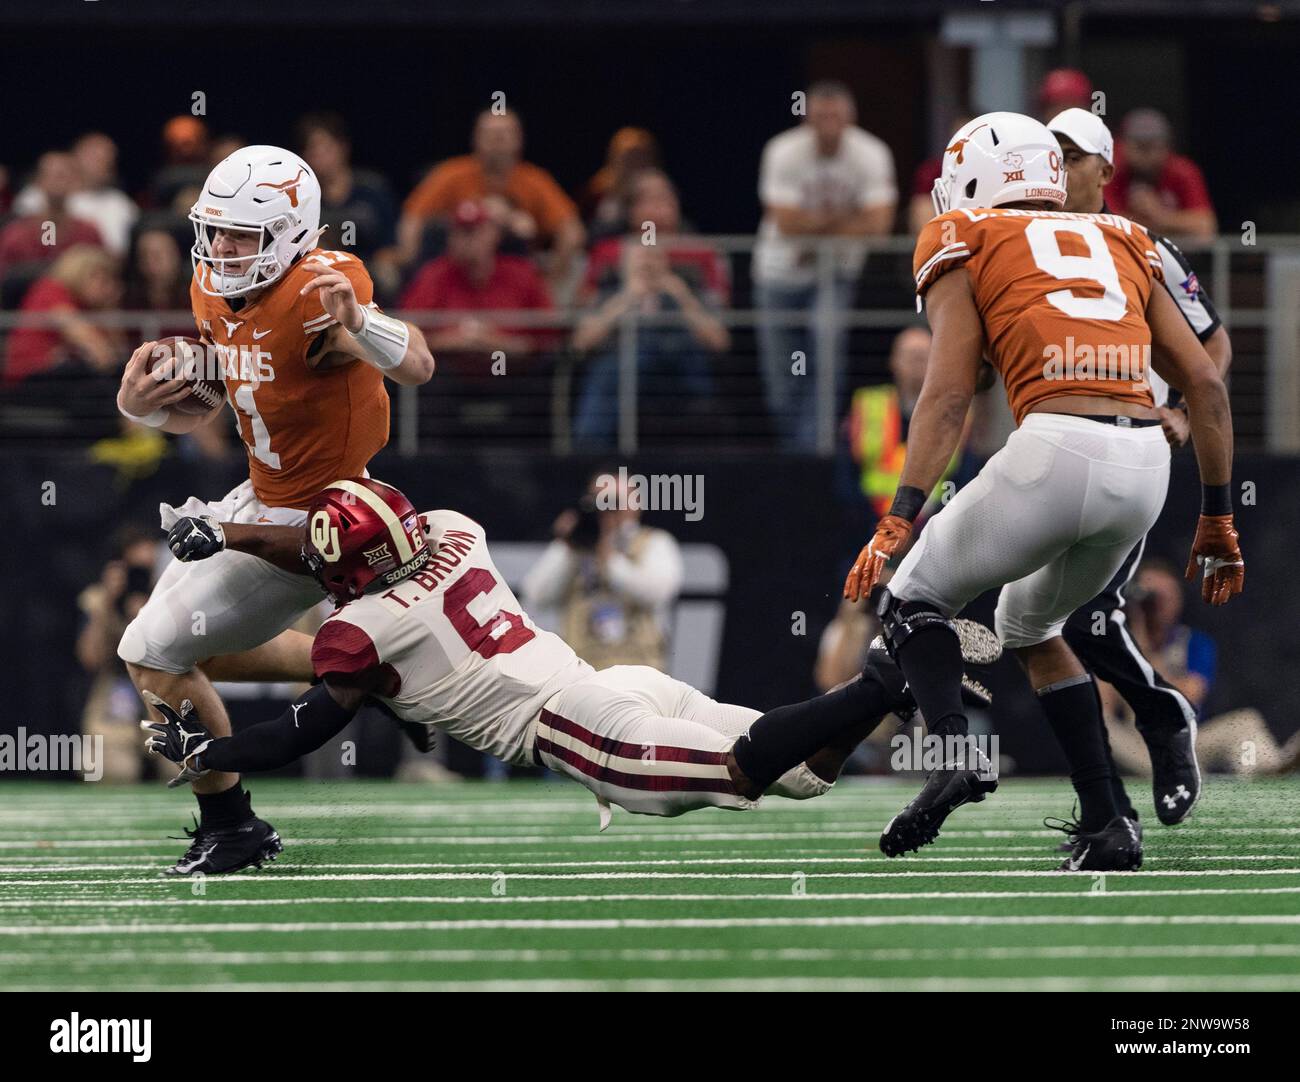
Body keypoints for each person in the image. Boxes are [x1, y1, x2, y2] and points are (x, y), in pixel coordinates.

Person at [143, 477, 996, 836]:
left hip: (571, 722)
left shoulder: (356, 631)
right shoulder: (451, 531)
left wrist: (209, 752)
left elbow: (302, 730)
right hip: (610, 682)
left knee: (741, 770)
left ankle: (885, 676)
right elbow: (404, 658)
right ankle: (890, 681)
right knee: (805, 772)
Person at [841, 112, 1242, 872]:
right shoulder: (1128, 236)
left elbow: (949, 394)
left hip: (1056, 448)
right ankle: (1107, 825)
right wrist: (1218, 514)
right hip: (1145, 466)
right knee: (1031, 625)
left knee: (913, 600)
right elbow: (1207, 383)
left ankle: (955, 756)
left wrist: (900, 515)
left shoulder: (965, 235)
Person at [112, 144, 434, 876]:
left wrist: (362, 326)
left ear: (291, 234)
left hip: (322, 514)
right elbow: (222, 402)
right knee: (197, 651)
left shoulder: (323, 284)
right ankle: (367, 676)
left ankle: (233, 827)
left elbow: (418, 364)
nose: (221, 248)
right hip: (262, 490)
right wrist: (137, 405)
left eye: (240, 235)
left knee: (150, 652)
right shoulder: (213, 285)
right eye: (214, 230)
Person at [1048, 107, 1233, 830]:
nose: (1056, 171)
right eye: (1048, 156)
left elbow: (1212, 344)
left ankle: (1142, 753)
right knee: (1038, 623)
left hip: (1127, 445)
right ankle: (1108, 799)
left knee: (1083, 615)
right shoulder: (1019, 238)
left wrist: (1184, 408)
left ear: (1105, 170)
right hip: (1053, 448)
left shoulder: (1141, 243)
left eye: (1071, 156)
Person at [754, 80, 897, 451]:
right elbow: (784, 221)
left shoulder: (871, 152)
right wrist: (848, 219)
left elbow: (880, 225)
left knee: (827, 349)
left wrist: (813, 230)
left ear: (849, 117)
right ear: (807, 116)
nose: (828, 122)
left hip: (835, 274)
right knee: (782, 372)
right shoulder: (783, 150)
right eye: (820, 114)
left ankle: (816, 448)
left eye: (836, 115)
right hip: (778, 274)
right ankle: (793, 449)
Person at [521, 470, 683, 672]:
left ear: (636, 504)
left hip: (640, 672)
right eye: (598, 502)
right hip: (582, 673)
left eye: (615, 501)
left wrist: (609, 558)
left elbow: (656, 591)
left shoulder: (654, 542)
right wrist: (568, 545)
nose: (607, 510)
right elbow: (536, 595)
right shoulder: (575, 547)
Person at [399, 109, 585, 285]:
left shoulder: (535, 180)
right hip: (455, 277)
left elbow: (571, 230)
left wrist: (552, 276)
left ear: (519, 139)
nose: (497, 141)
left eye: (504, 134)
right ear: (475, 138)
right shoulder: (451, 175)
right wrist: (411, 263)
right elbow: (413, 219)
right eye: (490, 134)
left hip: (516, 281)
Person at [400, 199, 554, 359]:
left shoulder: (521, 273)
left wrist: (495, 341)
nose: (465, 241)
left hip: (508, 371)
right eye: (458, 232)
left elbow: (548, 335)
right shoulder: (434, 275)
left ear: (494, 234)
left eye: (472, 231)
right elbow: (406, 333)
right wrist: (453, 341)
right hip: (448, 372)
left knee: (502, 369)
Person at [76, 527, 162, 783]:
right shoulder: (98, 599)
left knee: (184, 766)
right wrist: (106, 605)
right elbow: (90, 658)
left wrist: (151, 613)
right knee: (112, 769)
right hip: (115, 690)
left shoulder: (171, 595)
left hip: (165, 689)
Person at [4, 245, 122, 387]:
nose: (108, 287)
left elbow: (117, 350)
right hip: (28, 376)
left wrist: (109, 308)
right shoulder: (52, 291)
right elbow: (99, 350)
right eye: (101, 280)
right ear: (78, 274)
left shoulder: (85, 305)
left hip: (58, 376)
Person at [11, 133, 138, 257]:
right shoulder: (37, 199)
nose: (103, 162)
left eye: (108, 158)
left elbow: (115, 253)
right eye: (94, 156)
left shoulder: (115, 204)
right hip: (39, 268)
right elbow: (47, 243)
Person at [1106, 108, 1216, 243]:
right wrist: (1143, 219)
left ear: (1167, 146)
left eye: (1152, 146)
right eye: (1139, 146)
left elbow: (1206, 228)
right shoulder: (1112, 171)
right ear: (1122, 145)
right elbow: (1101, 224)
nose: (1145, 155)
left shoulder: (1182, 171)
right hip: (1125, 255)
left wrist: (1160, 216)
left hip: (1178, 257)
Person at [0, 151, 105, 276]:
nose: (57, 182)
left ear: (76, 181)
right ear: (38, 180)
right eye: (51, 175)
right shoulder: (16, 235)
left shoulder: (88, 233)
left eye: (63, 176)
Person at [578, 127, 661, 241]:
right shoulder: (599, 189)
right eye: (630, 157)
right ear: (615, 157)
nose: (636, 163)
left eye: (641, 156)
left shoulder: (658, 185)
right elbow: (585, 232)